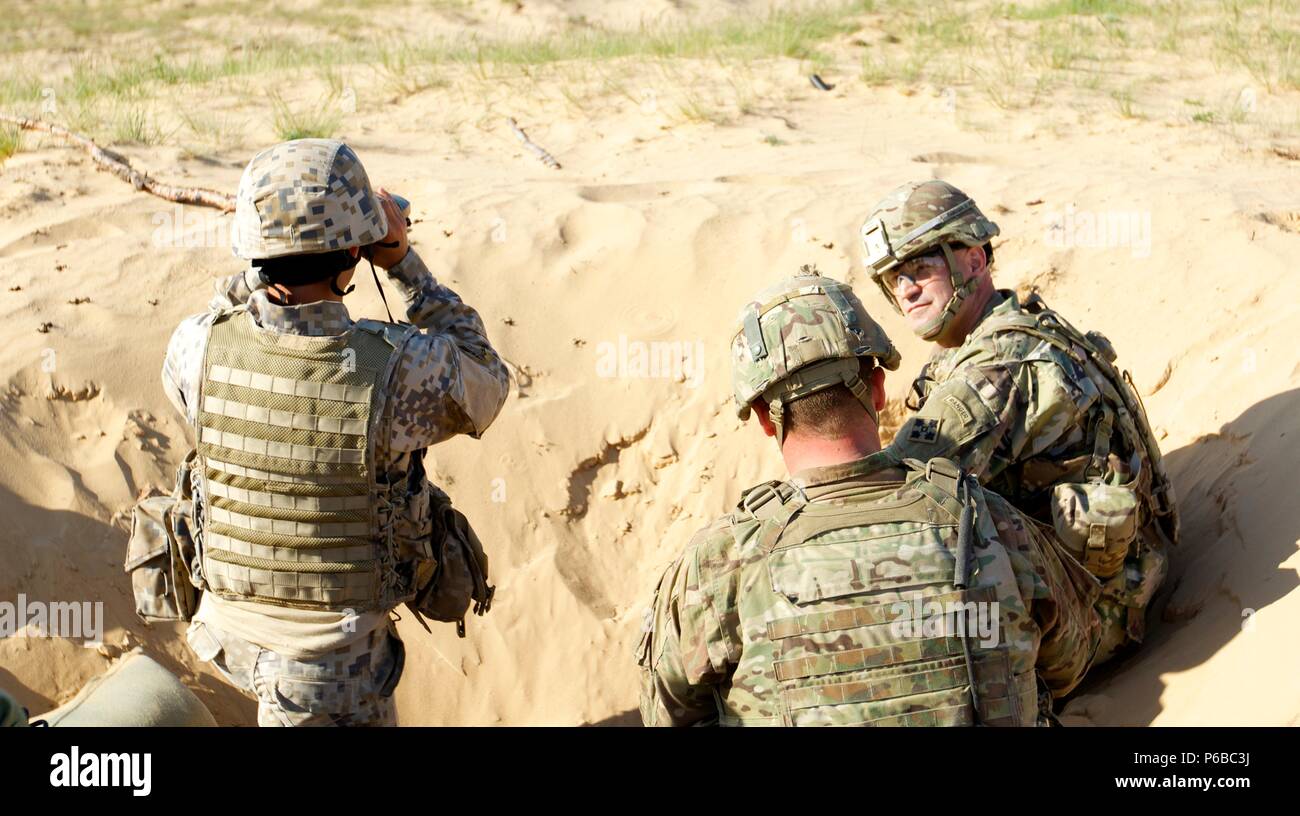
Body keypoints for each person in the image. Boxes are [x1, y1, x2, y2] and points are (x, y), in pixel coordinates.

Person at [637, 269, 1100, 726]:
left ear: (763, 416)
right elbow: (1070, 663)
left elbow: (665, 712)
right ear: (878, 389)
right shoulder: (989, 519)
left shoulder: (718, 563)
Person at [161, 138, 509, 725]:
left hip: (228, 638)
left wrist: (270, 261)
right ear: (353, 251)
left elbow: (235, 312)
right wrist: (401, 261)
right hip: (333, 663)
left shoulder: (195, 346)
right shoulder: (399, 369)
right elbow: (486, 379)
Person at [860, 180, 1178, 665]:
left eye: (920, 267)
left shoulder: (996, 367)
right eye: (893, 278)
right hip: (1112, 580)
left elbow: (890, 506)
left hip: (1095, 615)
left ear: (973, 260)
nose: (906, 290)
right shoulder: (1011, 325)